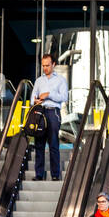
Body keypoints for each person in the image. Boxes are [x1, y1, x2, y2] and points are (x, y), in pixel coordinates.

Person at [30, 53, 67, 181]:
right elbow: (32, 97)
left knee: (53, 144)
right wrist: (35, 100)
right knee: (39, 144)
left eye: (47, 65)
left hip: (53, 112)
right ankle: (39, 174)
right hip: (40, 112)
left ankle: (55, 175)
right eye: (43, 66)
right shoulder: (39, 81)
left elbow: (64, 97)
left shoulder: (61, 80)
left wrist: (49, 95)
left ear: (54, 65)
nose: (45, 68)